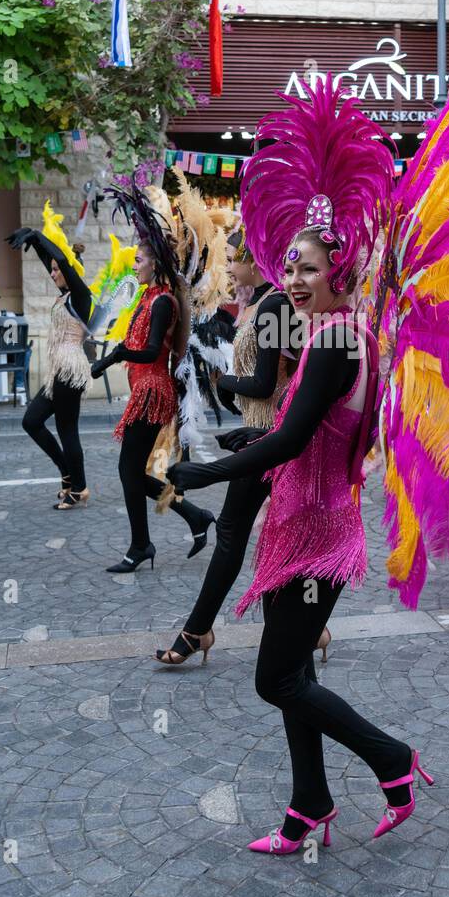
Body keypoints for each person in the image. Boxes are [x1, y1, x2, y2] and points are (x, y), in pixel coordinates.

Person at [170, 81, 435, 854]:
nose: (292, 277)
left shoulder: (333, 339)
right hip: (305, 521)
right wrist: (234, 448)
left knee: (277, 680)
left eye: (308, 268)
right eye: (288, 265)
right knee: (294, 680)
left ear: (339, 272)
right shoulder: (341, 334)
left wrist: (202, 477)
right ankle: (307, 808)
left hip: (317, 532)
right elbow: (300, 427)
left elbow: (288, 444)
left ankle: (394, 760)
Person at [154, 225, 298, 668]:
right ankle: (308, 631)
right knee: (272, 535)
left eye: (232, 259)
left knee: (235, 533)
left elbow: (265, 380)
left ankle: (198, 631)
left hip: (272, 434)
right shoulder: (258, 305)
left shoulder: (273, 305)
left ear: (253, 260)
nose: (228, 269)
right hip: (259, 431)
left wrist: (223, 380)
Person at [92, 185, 215, 573]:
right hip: (141, 389)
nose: (134, 266)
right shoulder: (146, 297)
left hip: (152, 391)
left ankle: (141, 545)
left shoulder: (162, 301)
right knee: (131, 472)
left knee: (129, 472)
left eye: (139, 260)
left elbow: (150, 353)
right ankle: (192, 517)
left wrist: (115, 354)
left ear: (155, 262)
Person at [7, 222, 92, 509]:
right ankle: (67, 475)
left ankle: (78, 488)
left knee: (68, 430)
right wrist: (34, 238)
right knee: (31, 421)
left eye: (57, 270)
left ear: (70, 272)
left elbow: (65, 264)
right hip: (59, 371)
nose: (53, 273)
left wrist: (39, 236)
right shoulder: (65, 294)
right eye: (52, 270)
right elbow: (54, 263)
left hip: (71, 370)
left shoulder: (81, 296)